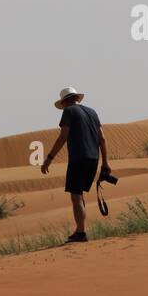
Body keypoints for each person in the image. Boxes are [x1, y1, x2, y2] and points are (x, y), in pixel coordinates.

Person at [40, 87, 109, 242]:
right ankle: (81, 229)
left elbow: (63, 137)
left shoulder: (69, 112)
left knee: (75, 196)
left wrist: (49, 159)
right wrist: (105, 162)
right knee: (79, 194)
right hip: (93, 158)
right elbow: (102, 139)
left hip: (78, 158)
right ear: (77, 97)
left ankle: (81, 232)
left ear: (64, 102)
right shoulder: (92, 112)